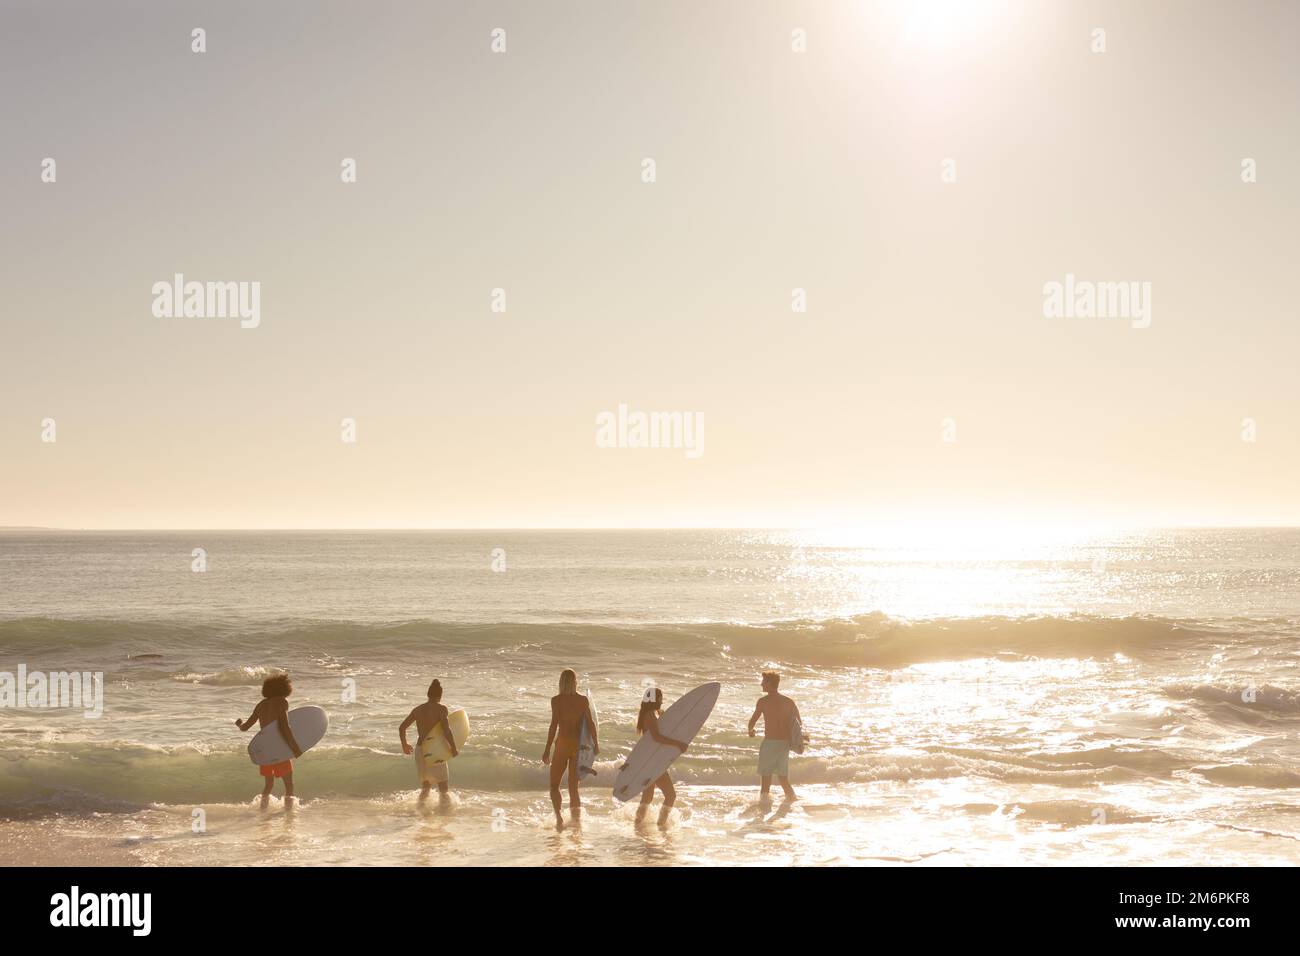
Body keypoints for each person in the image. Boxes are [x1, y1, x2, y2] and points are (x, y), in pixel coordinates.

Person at [235, 673, 303, 809]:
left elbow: (245, 728)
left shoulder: (260, 705)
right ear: (284, 688)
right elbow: (284, 726)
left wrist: (239, 724)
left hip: (264, 750)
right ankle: (289, 813)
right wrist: (295, 747)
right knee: (288, 784)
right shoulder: (282, 702)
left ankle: (262, 811)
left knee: (269, 785)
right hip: (278, 747)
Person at [542, 668, 597, 827]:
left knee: (554, 785)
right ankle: (576, 822)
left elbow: (553, 726)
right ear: (575, 682)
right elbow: (591, 724)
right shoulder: (582, 701)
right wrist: (595, 744)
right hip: (578, 747)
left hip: (562, 745)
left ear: (561, 682)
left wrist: (546, 749)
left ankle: (559, 817)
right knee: (574, 787)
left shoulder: (556, 700)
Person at [634, 686, 688, 826]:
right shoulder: (650, 716)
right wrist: (678, 744)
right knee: (670, 795)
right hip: (653, 762)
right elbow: (657, 737)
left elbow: (661, 730)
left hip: (650, 759)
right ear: (653, 700)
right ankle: (661, 825)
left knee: (647, 797)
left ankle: (637, 825)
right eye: (660, 698)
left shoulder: (651, 714)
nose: (661, 701)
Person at [399, 678, 458, 802]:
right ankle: (445, 815)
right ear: (440, 695)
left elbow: (402, 728)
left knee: (426, 788)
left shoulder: (418, 710)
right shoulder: (441, 709)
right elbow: (447, 731)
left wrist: (404, 745)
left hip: (420, 750)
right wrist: (453, 747)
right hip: (434, 750)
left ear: (428, 694)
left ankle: (420, 813)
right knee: (443, 788)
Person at [747, 671, 803, 800]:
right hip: (784, 744)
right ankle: (793, 802)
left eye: (763, 682)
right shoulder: (789, 702)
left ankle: (763, 810)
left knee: (766, 781)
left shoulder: (763, 701)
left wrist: (751, 731)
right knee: (783, 779)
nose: (761, 684)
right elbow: (798, 723)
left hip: (770, 744)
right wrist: (797, 739)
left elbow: (752, 721)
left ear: (770, 683)